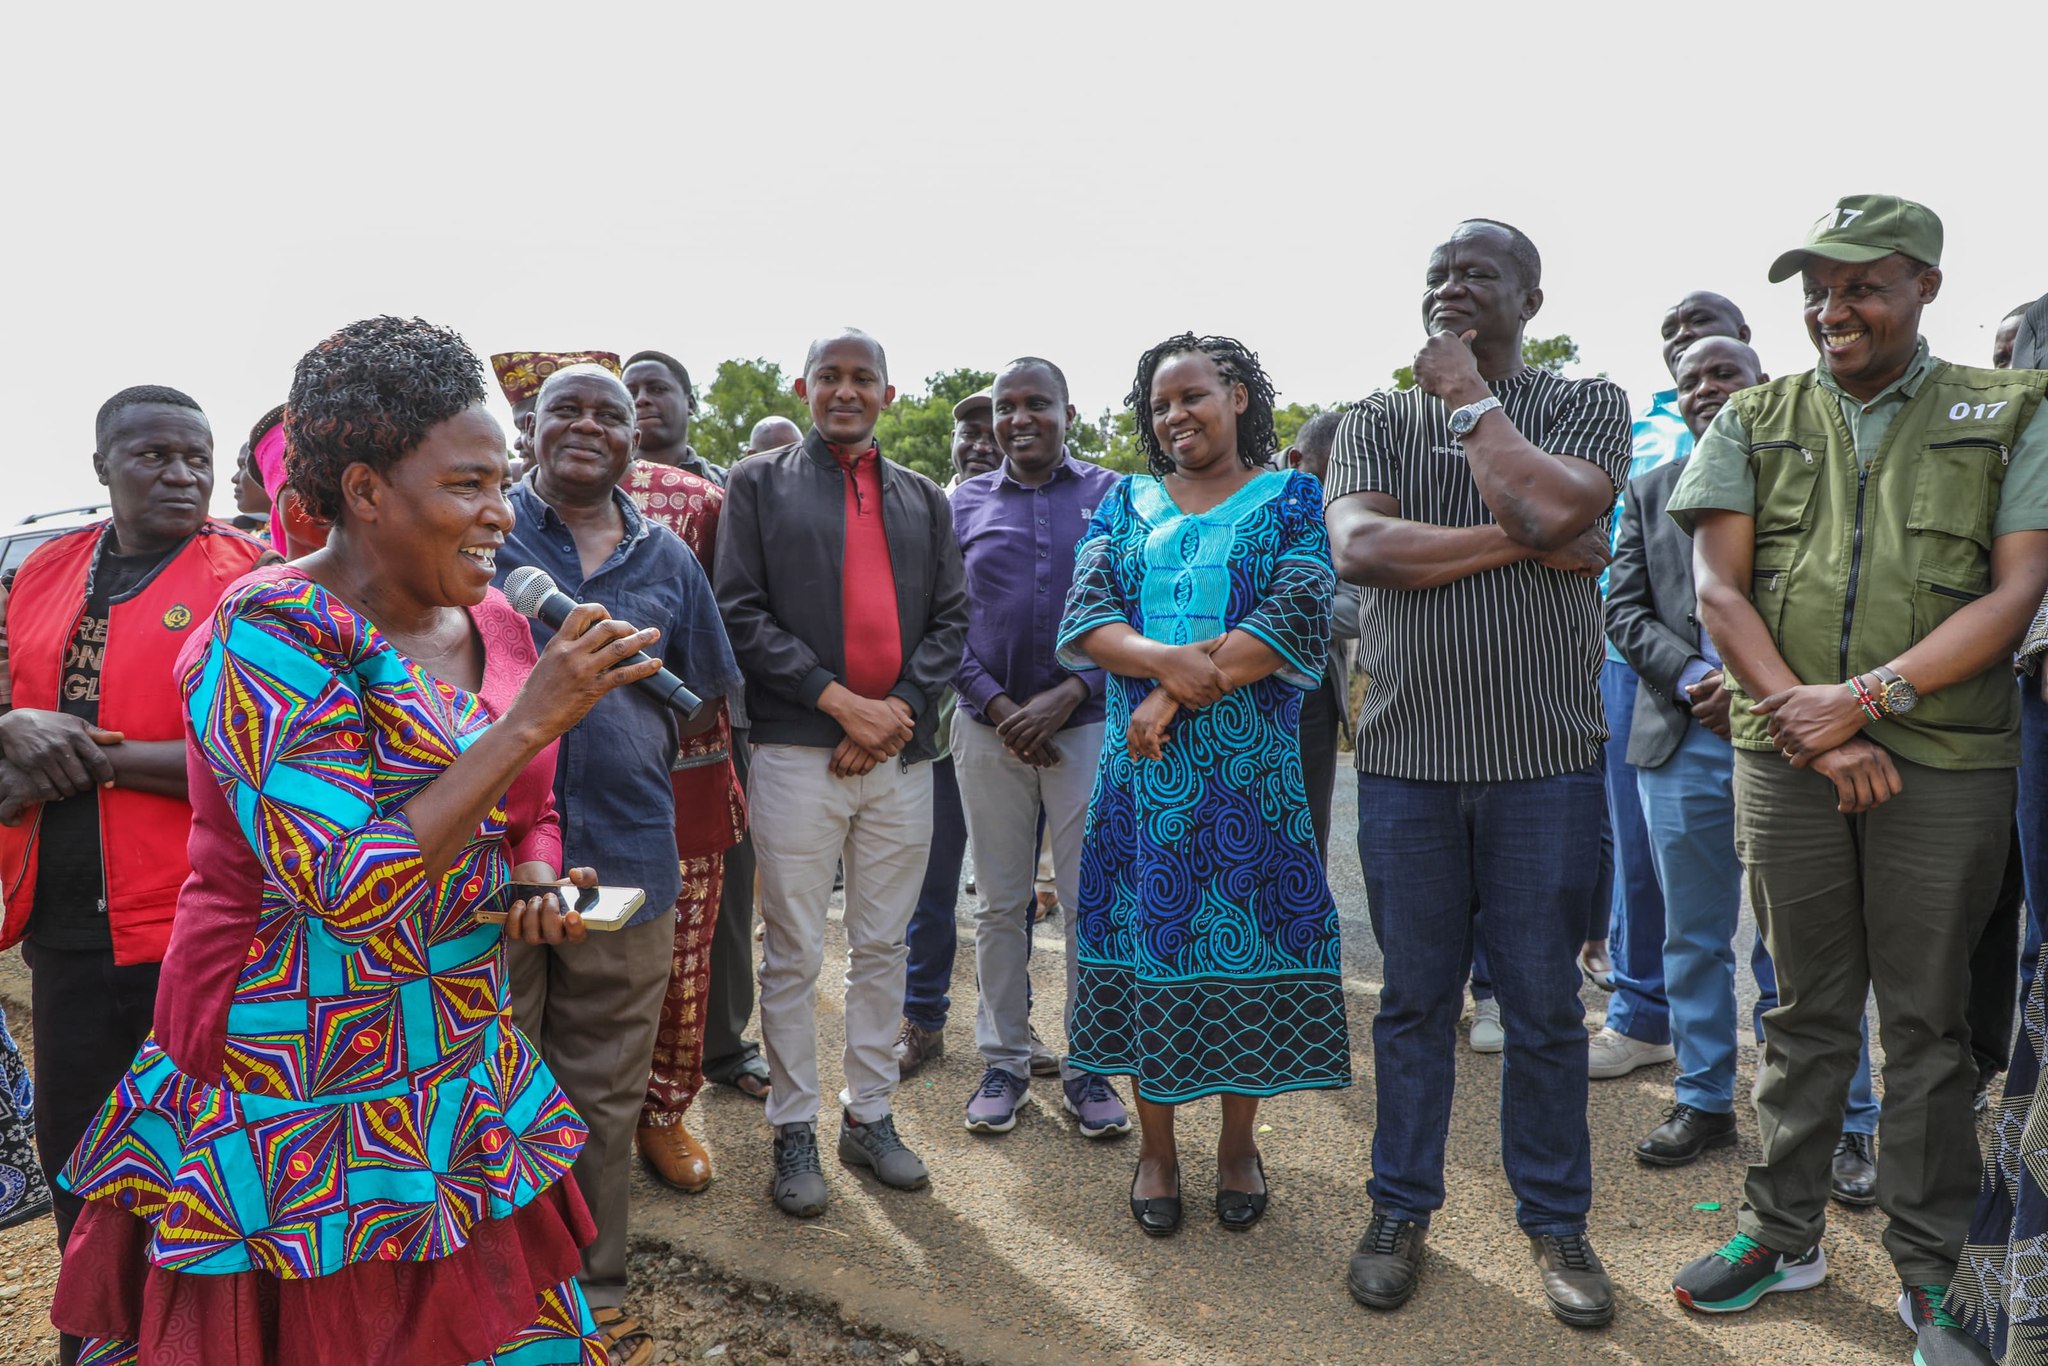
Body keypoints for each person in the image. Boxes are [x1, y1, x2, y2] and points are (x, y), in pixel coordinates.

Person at [44, 316, 658, 1365]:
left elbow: (515, 806)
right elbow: (344, 881)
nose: (498, 516)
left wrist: (532, 874)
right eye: (466, 486)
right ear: (366, 490)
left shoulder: (494, 625)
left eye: (499, 482)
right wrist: (530, 721)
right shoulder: (265, 632)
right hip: (292, 1070)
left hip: (451, 1046)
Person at [1665, 196, 2048, 1366]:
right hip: (1787, 758)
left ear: (1924, 285)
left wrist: (1866, 700)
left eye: (1861, 287)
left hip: (1946, 760)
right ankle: (1780, 1230)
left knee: (1930, 1022)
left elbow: (2014, 590)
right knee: (1799, 1007)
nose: (1833, 310)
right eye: (1815, 292)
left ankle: (1931, 1266)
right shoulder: (1755, 415)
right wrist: (1818, 729)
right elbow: (1719, 591)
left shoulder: (2009, 411)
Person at [1327, 219, 1630, 1328]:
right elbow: (1361, 552)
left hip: (1542, 764)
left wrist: (1466, 403)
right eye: (1437, 274)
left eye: (1478, 274)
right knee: (1412, 1005)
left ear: (1530, 301)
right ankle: (1398, 1208)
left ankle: (1554, 1221)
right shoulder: (1368, 420)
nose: (1452, 288)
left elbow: (1555, 503)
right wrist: (1528, 539)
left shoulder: (1585, 404)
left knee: (1544, 1006)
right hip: (1406, 765)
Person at [1058, 332, 1348, 1236]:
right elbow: (1089, 614)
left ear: (1239, 398)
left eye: (1194, 396)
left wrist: (1172, 701)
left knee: (1243, 952)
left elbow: (1297, 609)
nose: (1176, 415)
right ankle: (1156, 1150)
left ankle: (1235, 1145)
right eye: (1160, 404)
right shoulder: (1125, 499)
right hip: (1141, 785)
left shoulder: (1295, 496)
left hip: (1248, 782)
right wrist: (1160, 667)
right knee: (1152, 951)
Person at [0, 385, 270, 1296]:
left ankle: (206, 1344)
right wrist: (11, 730)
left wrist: (87, 756)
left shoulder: (254, 579)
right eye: (154, 455)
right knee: (79, 1157)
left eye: (197, 457)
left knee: (204, 1168)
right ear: (102, 466)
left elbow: (261, 760)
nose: (182, 475)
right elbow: (16, 703)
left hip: (196, 925)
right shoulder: (43, 571)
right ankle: (101, 1340)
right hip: (66, 922)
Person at [498, 363, 742, 1345]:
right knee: (494, 1068)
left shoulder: (669, 560)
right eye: (568, 409)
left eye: (610, 412)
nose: (589, 425)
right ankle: (495, 1279)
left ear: (634, 438)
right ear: (533, 428)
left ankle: (588, 1284)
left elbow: (703, 700)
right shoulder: (483, 537)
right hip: (495, 858)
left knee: (601, 1083)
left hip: (630, 856)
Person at [1608, 336, 1881, 1181]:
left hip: (1797, 742)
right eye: (1690, 380)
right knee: (1690, 937)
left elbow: (1849, 603)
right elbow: (1623, 610)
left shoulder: (1825, 481)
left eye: (1724, 373)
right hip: (1680, 741)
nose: (1706, 388)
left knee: (1806, 945)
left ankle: (1846, 1121)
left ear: (1763, 385)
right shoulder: (1649, 493)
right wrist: (1698, 677)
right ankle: (1701, 1102)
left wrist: (1755, 687)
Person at [714, 329, 968, 1218]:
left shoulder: (925, 499)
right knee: (794, 952)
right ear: (805, 384)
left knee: (883, 946)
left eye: (864, 378)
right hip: (794, 749)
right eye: (832, 375)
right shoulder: (755, 483)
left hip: (900, 755)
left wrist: (893, 708)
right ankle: (794, 1127)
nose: (847, 391)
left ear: (889, 394)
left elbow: (950, 619)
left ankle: (870, 1117)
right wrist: (838, 704)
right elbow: (738, 612)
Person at [952, 357, 1129, 1139]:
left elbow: (1139, 608)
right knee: (999, 901)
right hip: (987, 730)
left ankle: (1091, 1068)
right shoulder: (962, 502)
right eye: (1007, 406)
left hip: (1087, 727)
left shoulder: (1115, 496)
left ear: (1068, 412)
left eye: (1037, 404)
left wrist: (1072, 692)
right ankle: (1005, 1059)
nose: (1020, 418)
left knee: (1094, 902)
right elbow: (943, 625)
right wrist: (997, 704)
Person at [1588, 292, 1750, 1080]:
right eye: (1676, 343)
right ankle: (1649, 1023)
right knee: (1651, 870)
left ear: (1751, 348)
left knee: (1800, 919)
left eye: (1714, 347)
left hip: (1770, 693)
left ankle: (1826, 1099)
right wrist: (1688, 675)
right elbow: (1622, 584)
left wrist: (1747, 682)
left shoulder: (1793, 436)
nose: (1691, 357)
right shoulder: (1646, 437)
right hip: (1651, 678)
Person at [618, 414, 747, 1194]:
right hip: (544, 781)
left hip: (683, 771)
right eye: (550, 415)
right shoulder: (500, 517)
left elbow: (726, 637)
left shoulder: (694, 504)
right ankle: (554, 1129)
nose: (582, 430)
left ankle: (662, 1113)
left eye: (608, 413)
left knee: (682, 957)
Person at [892, 395, 1007, 1078]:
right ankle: (922, 1019)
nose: (983, 442)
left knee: (1005, 890)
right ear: (954, 442)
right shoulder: (925, 509)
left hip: (1007, 728)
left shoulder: (1029, 508)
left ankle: (1011, 1027)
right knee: (929, 888)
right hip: (932, 732)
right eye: (971, 431)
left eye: (995, 430)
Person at [1281, 410, 1358, 863]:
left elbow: (1357, 610)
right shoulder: (1246, 492)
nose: (1337, 497)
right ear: (1295, 459)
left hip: (1312, 693)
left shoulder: (1352, 503)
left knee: (1308, 832)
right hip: (1232, 690)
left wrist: (1272, 616)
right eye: (1328, 480)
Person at [490, 349, 620, 470]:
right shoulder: (502, 489)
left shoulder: (636, 486)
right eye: (523, 429)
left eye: (607, 416)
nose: (517, 444)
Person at [624, 349, 726, 486]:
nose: (641, 399)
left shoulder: (731, 486)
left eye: (657, 389)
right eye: (630, 394)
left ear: (690, 404)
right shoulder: (596, 487)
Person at [947, 389, 1003, 485]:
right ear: (953, 440)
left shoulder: (1030, 499)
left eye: (997, 438)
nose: (982, 448)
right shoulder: (926, 499)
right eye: (970, 433)